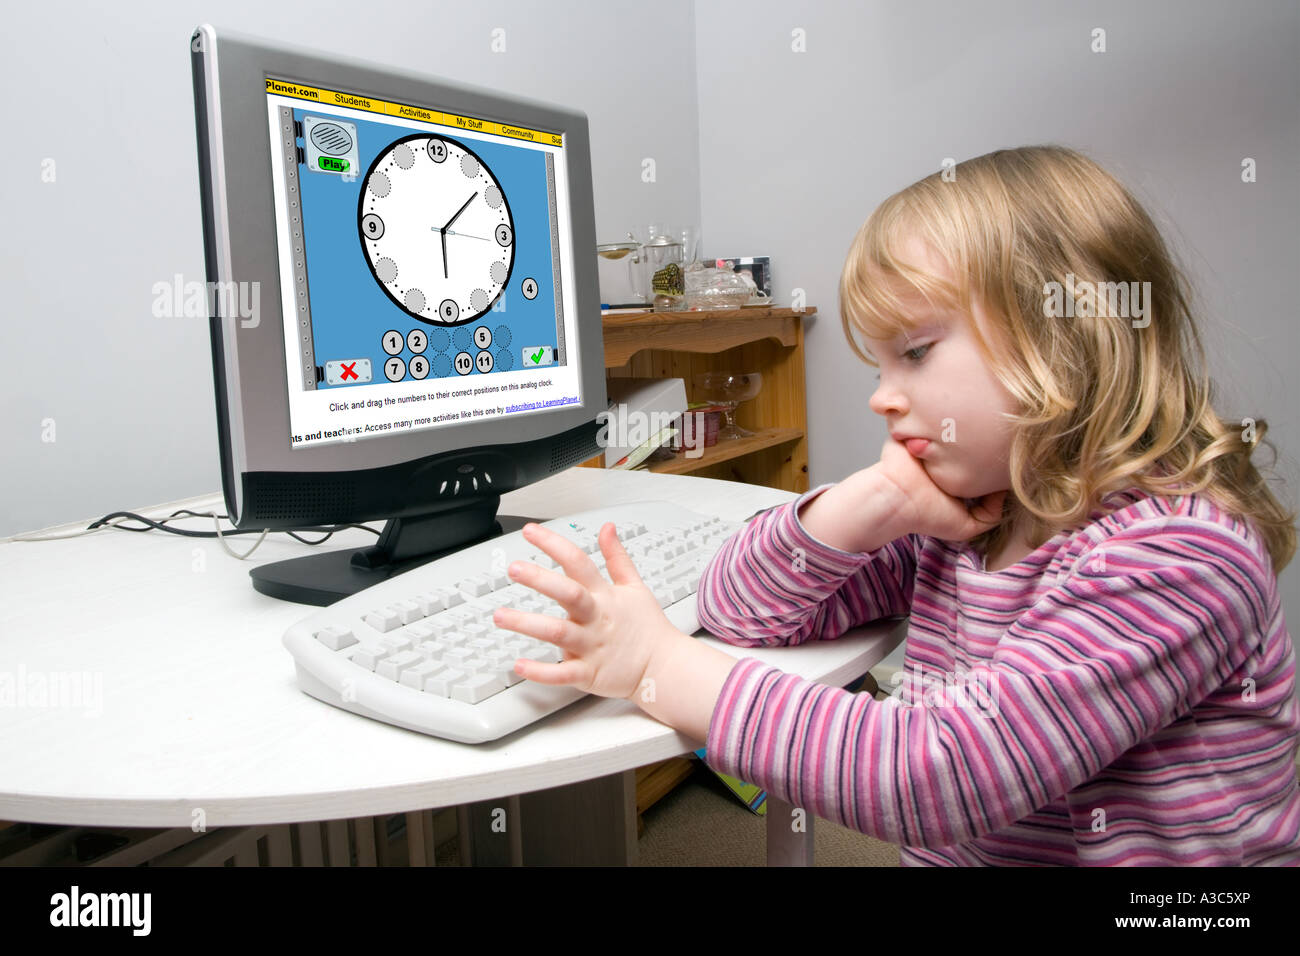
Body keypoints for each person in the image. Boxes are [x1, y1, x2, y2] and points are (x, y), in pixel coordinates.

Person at [492, 145, 1300, 865]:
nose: (882, 397)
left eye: (914, 353)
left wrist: (659, 666)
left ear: (1071, 338)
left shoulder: (1175, 553)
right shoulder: (966, 512)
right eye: (879, 365)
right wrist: (869, 502)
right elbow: (740, 609)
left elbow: (940, 776)